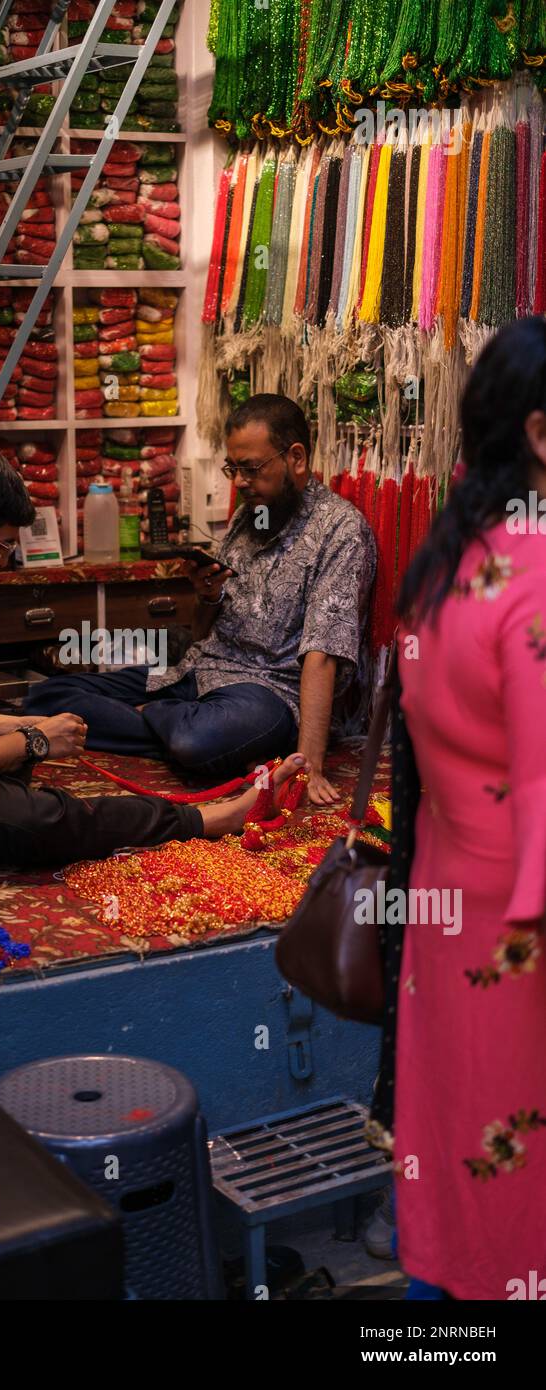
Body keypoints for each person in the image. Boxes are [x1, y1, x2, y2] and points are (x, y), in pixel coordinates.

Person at [0, 435, 305, 871]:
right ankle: (209, 820)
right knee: (57, 817)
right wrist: (35, 741)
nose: (3, 562)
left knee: (20, 762)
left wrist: (22, 728)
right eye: (0, 546)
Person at [388, 317, 546, 1300]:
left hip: (445, 905)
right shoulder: (531, 583)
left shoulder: (445, 565)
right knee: (515, 1153)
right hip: (517, 927)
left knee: (452, 1130)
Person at [25, 394, 376, 804]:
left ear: (296, 458)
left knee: (198, 740)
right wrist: (207, 597)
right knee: (46, 697)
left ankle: (170, 726)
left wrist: (308, 766)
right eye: (234, 468)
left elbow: (323, 654)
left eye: (251, 468)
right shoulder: (250, 515)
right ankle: (190, 737)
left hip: (266, 693)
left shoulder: (341, 530)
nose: (240, 482)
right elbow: (201, 632)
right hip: (196, 674)